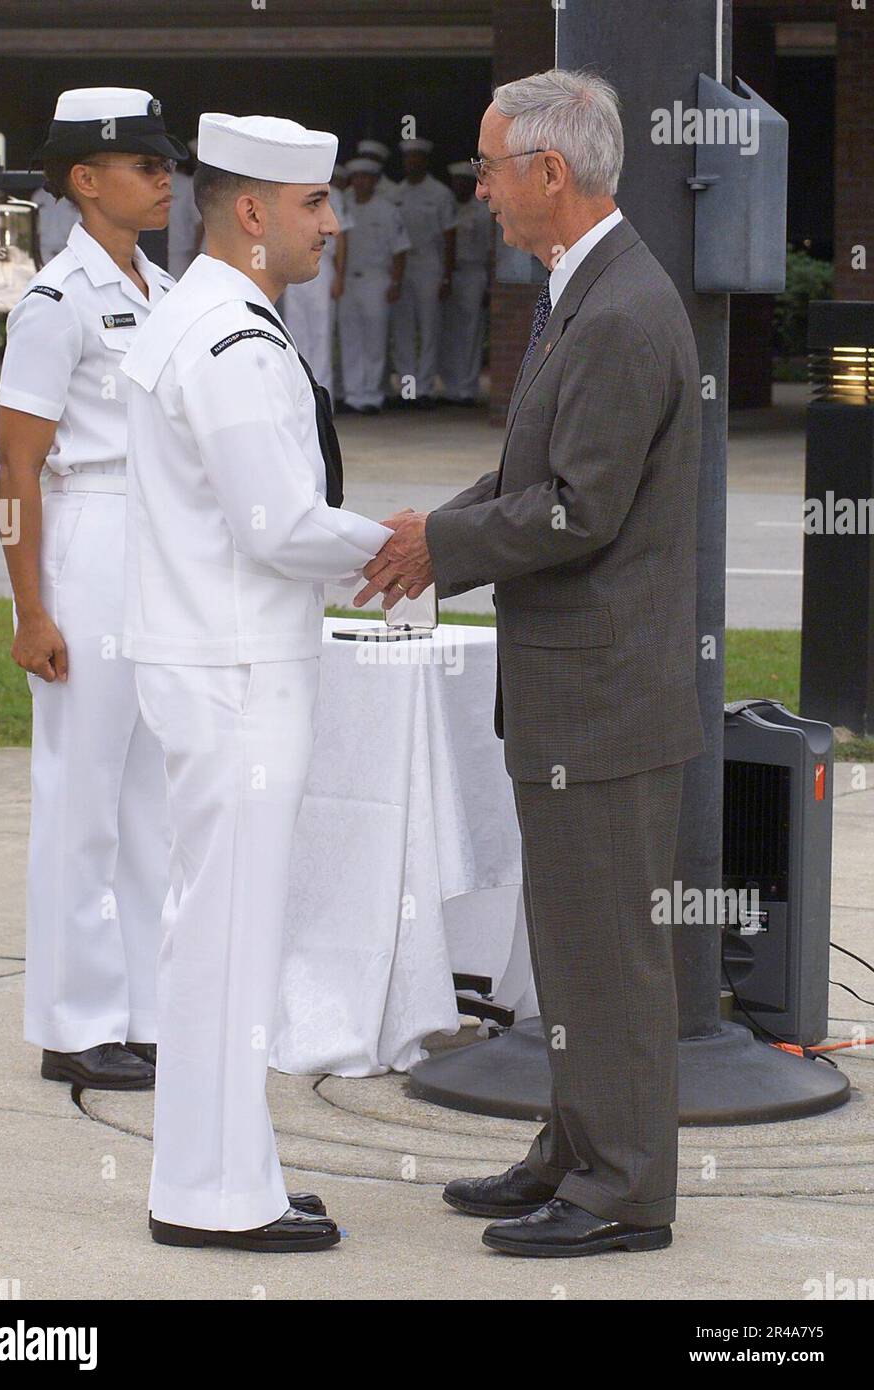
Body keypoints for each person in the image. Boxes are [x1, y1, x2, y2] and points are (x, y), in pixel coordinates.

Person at [355, 69, 704, 1258]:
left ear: (549, 173)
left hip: (602, 698)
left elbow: (572, 512)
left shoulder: (615, 311)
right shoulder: (589, 288)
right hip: (579, 692)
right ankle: (578, 1145)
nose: (482, 186)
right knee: (571, 946)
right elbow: (528, 484)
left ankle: (621, 1190)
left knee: (605, 951)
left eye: (493, 164)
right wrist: (432, 541)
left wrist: (438, 546)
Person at [120, 112, 392, 1252]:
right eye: (314, 204)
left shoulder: (208, 315)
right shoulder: (230, 339)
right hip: (234, 670)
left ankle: (232, 1169)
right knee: (226, 941)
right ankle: (212, 1194)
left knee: (216, 934)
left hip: (217, 658)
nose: (331, 224)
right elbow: (278, 523)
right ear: (251, 211)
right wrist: (406, 547)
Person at [0, 87, 184, 1089]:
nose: (165, 181)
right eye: (146, 166)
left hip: (156, 543)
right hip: (90, 536)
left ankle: (144, 1009)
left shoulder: (162, 289)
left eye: (165, 166)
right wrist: (32, 610)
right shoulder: (54, 301)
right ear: (84, 180)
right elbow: (17, 468)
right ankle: (71, 1020)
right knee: (82, 799)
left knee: (148, 793)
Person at [337, 157, 410, 414]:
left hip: (376, 278)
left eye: (366, 177)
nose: (360, 182)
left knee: (374, 340)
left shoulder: (387, 209)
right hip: (347, 278)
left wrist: (396, 282)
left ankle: (371, 395)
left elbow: (400, 250)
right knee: (350, 338)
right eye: (356, 177)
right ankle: (353, 394)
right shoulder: (343, 204)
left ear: (375, 181)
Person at [390, 138, 456, 408]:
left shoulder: (440, 193)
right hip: (402, 267)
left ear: (425, 161)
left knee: (429, 328)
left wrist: (446, 276)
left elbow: (450, 237)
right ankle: (408, 389)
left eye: (417, 158)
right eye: (408, 158)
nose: (412, 162)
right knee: (403, 329)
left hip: (430, 265)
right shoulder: (397, 193)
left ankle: (426, 389)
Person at [282, 177, 351, 400]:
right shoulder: (290, 189)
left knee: (321, 334)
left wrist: (340, 275)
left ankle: (322, 399)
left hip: (322, 266)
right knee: (295, 332)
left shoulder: (334, 195)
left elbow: (341, 238)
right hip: (295, 266)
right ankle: (301, 397)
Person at [438, 161, 492, 404]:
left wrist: (489, 285)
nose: (458, 186)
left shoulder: (482, 211)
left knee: (471, 332)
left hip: (473, 273)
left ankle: (467, 388)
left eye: (463, 182)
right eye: (455, 182)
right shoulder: (448, 207)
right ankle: (451, 386)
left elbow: (491, 250)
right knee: (450, 331)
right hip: (450, 274)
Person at [166, 138, 203, 279]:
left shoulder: (187, 184)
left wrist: (196, 253)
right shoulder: (148, 182)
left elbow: (199, 221)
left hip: (182, 252)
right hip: (153, 249)